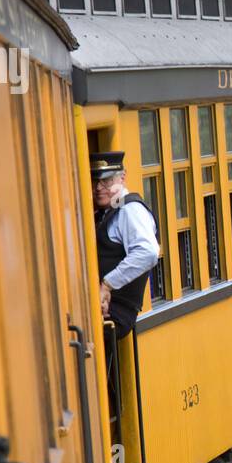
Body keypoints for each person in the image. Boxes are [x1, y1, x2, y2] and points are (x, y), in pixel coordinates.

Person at [92, 152, 161, 421]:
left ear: (123, 178)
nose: (100, 187)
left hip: (117, 314)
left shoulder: (129, 211)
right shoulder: (106, 212)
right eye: (95, 181)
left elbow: (147, 252)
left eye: (107, 180)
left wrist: (107, 285)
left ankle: (107, 420)